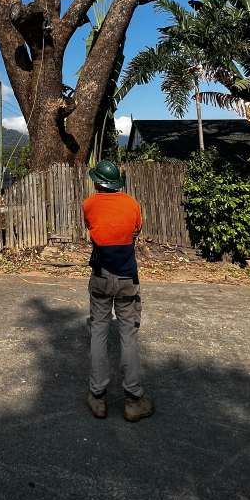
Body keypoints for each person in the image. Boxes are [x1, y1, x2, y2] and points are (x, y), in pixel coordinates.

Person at [82, 159, 154, 423]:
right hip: (127, 278)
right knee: (128, 335)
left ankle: (97, 397)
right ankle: (134, 400)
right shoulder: (132, 204)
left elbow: (91, 227)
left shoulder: (89, 204)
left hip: (100, 277)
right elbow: (136, 229)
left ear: (98, 182)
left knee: (98, 331)